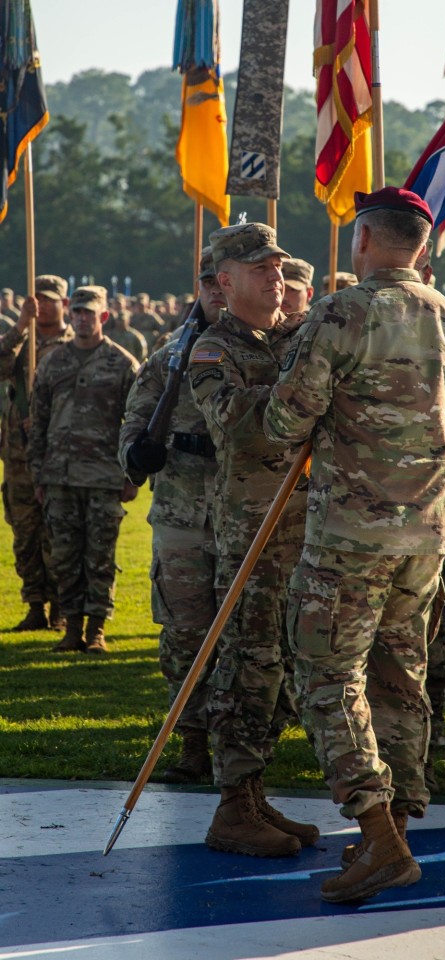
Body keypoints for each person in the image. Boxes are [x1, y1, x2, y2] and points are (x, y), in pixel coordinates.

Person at [264, 186, 445, 903]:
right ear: (421, 246)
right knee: (399, 676)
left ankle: (379, 835)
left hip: (352, 534)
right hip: (426, 533)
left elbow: (285, 421)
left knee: (329, 677)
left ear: (363, 240)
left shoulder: (341, 312)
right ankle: (397, 830)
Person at [188, 222, 318, 858]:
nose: (276, 276)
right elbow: (237, 420)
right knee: (249, 665)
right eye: (260, 268)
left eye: (279, 266)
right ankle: (233, 806)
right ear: (225, 281)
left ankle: (256, 793)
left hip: (308, 528)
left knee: (287, 667)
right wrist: (305, 392)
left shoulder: (299, 339)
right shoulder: (214, 349)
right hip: (254, 536)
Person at [119, 248, 225, 783]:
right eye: (209, 284)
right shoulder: (167, 358)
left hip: (245, 519)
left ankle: (243, 754)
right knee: (184, 638)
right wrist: (136, 452)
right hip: (181, 519)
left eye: (225, 282)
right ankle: (192, 745)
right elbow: (133, 424)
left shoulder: (276, 351)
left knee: (248, 641)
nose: (218, 293)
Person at [28, 286, 139, 653]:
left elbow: (137, 423)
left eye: (89, 313)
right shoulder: (52, 362)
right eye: (76, 312)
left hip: (104, 478)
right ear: (69, 314)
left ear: (103, 316)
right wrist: (38, 475)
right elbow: (38, 422)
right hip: (59, 477)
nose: (81, 318)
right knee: (64, 556)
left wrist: (132, 475)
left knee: (100, 557)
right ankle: (71, 627)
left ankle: (96, 630)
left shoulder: (122, 363)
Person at [0, 276, 73, 631]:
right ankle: (34, 605)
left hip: (59, 456)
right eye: (37, 300)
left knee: (57, 534)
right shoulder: (21, 343)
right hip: (19, 456)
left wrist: (46, 419)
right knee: (25, 534)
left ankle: (60, 606)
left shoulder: (74, 345)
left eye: (49, 300)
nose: (42, 305)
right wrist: (20, 326)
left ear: (64, 304)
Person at [109, 298, 148, 364]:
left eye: (122, 320)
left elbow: (142, 352)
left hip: (130, 365)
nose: (120, 323)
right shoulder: (111, 335)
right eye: (118, 320)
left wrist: (137, 363)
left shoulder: (135, 335)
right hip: (114, 365)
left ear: (128, 321)